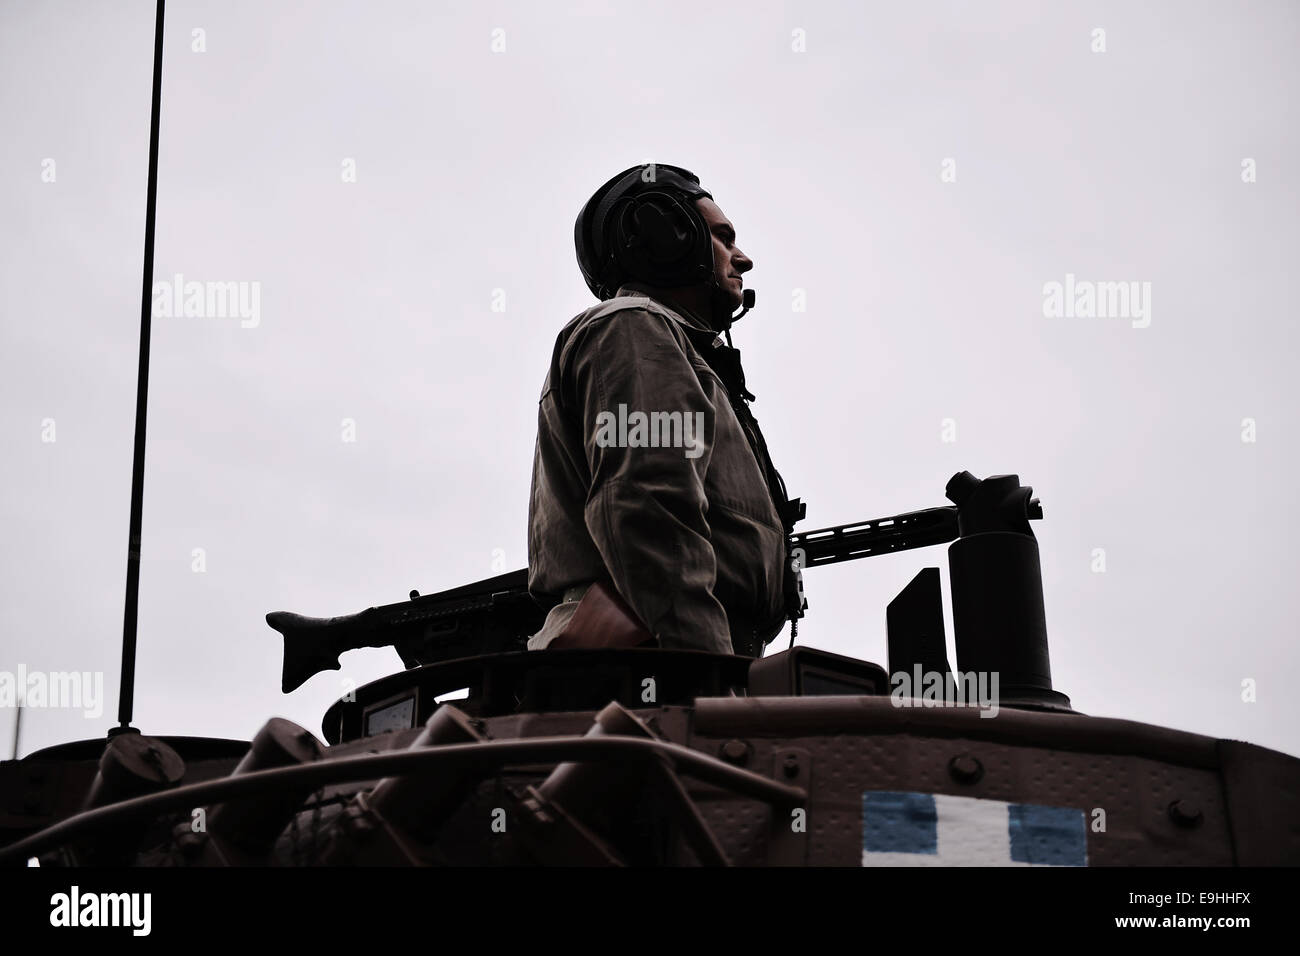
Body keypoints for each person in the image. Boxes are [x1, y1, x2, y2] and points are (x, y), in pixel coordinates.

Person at [526, 163, 804, 657]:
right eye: (723, 237)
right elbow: (649, 510)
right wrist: (711, 679)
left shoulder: (680, 352)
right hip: (656, 662)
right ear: (666, 235)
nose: (744, 259)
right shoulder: (633, 329)